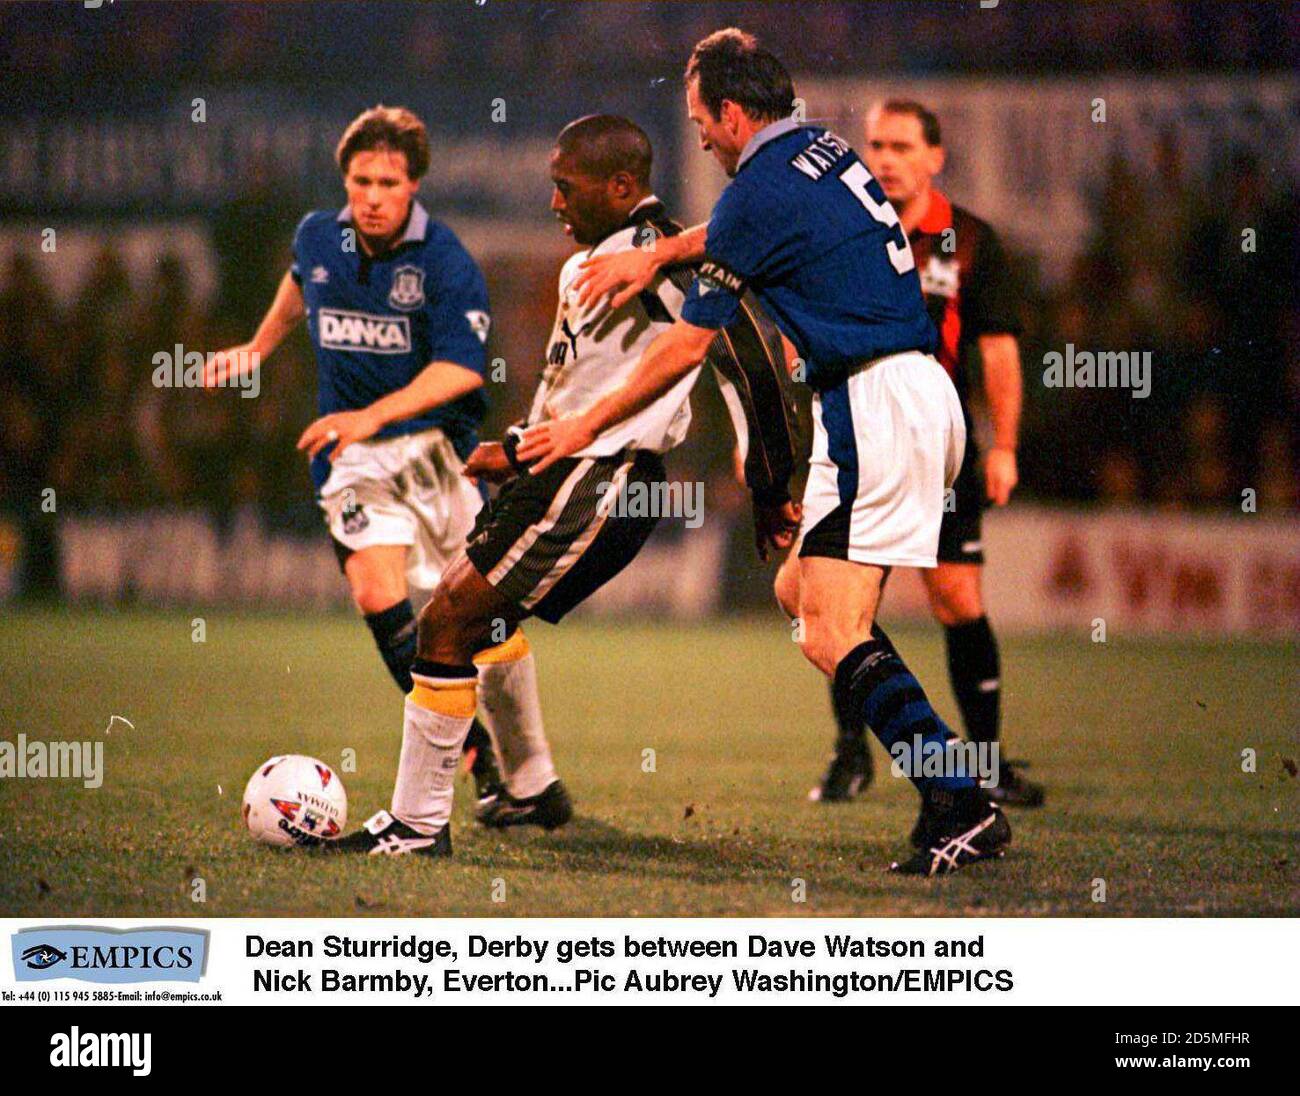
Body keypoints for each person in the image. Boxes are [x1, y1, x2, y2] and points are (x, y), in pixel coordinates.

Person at [525, 31, 1012, 875]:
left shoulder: (758, 192)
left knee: (829, 624)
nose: (702, 136)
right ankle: (952, 785)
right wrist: (661, 254)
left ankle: (959, 799)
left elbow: (682, 351)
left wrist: (580, 427)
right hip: (906, 391)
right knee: (801, 595)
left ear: (734, 113)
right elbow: (734, 231)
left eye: (701, 121)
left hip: (877, 403)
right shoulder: (819, 149)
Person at [331, 112, 798, 856]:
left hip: (604, 480)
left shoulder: (656, 253)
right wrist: (515, 452)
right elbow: (573, 388)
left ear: (620, 187)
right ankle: (530, 787)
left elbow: (743, 348)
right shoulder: (594, 259)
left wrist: (772, 479)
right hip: (563, 471)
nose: (554, 203)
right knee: (475, 619)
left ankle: (420, 826)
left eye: (565, 188)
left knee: (448, 619)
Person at [204, 105, 523, 810]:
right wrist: (258, 348)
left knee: (474, 619)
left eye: (387, 182)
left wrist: (373, 414)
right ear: (344, 179)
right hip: (351, 460)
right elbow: (299, 282)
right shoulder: (319, 237)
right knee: (377, 593)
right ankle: (478, 761)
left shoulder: (444, 261)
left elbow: (462, 372)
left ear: (414, 186)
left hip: (437, 456)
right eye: (360, 180)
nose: (372, 196)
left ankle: (521, 768)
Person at [796, 99, 1042, 808]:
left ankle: (987, 761)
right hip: (857, 439)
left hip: (941, 444)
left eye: (901, 145)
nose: (885, 159)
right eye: (875, 144)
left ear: (936, 157)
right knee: (843, 605)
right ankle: (851, 754)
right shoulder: (848, 235)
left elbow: (997, 350)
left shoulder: (967, 241)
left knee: (956, 597)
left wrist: (1006, 447)